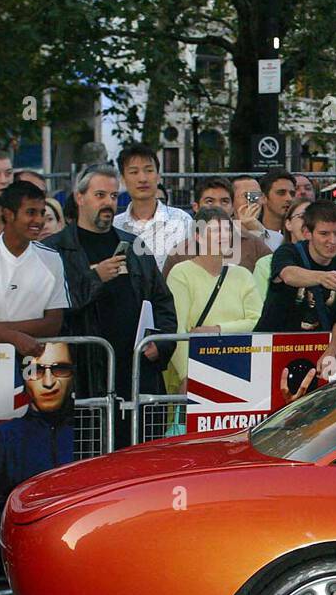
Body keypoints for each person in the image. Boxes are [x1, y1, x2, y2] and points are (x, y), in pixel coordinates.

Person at [47, 165, 177, 435]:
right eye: (100, 195)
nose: (108, 203)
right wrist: (95, 278)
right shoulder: (54, 248)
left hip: (135, 376)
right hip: (85, 375)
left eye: (114, 196)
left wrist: (159, 342)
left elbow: (162, 301)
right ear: (79, 197)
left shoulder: (133, 245)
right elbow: (52, 306)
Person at [0, 341, 75, 567]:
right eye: (36, 371)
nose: (49, 382)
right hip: (11, 563)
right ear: (23, 377)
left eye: (60, 369)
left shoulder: (97, 433)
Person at [164, 210, 264, 392]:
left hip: (239, 366)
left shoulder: (242, 275)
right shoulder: (181, 273)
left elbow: (257, 320)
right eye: (215, 231)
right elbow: (177, 329)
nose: (224, 236)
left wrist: (217, 330)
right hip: (195, 366)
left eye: (228, 230)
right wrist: (187, 374)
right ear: (198, 236)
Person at [255, 200, 336, 370]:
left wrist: (332, 350)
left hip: (320, 347)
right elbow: (287, 274)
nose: (332, 241)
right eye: (324, 233)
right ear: (307, 232)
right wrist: (321, 277)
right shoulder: (288, 251)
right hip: (274, 345)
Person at [0, 181, 67, 356]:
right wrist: (13, 337)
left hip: (35, 359)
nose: (39, 220)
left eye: (42, 213)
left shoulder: (52, 259)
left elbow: (53, 323)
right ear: (9, 214)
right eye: (30, 213)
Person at [112, 143, 193, 272]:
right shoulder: (115, 226)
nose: (142, 179)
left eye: (149, 170)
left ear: (158, 176)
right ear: (122, 179)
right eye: (134, 172)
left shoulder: (182, 221)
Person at [254, 196, 311, 298]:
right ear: (288, 224)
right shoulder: (266, 264)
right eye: (302, 216)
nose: (308, 222)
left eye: (314, 218)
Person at [255, 168, 295, 251]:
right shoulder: (250, 230)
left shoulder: (297, 231)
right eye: (281, 193)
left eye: (292, 194)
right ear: (263, 197)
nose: (289, 198)